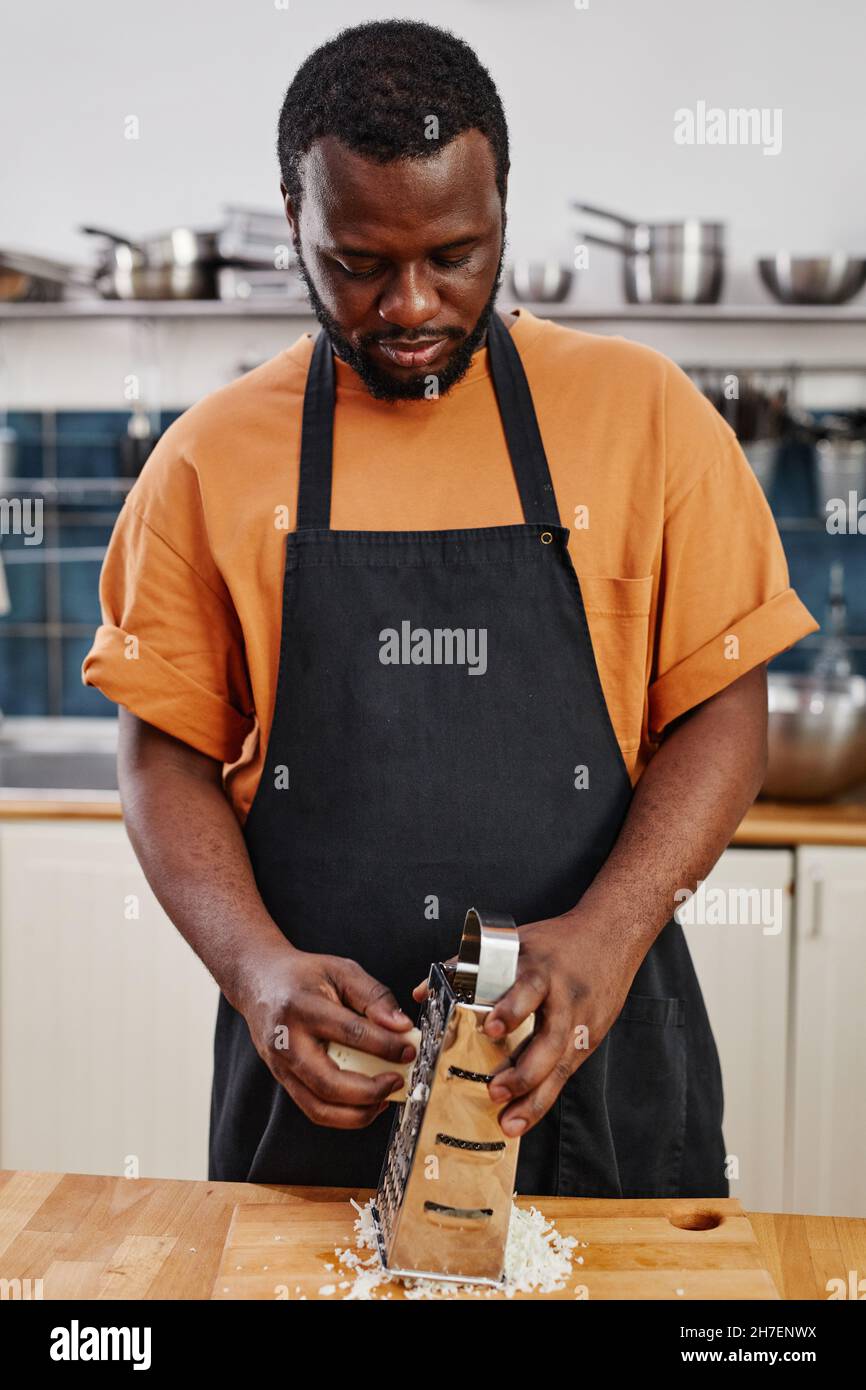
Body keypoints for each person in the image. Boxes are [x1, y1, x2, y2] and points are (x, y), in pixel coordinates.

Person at [83, 19, 818, 1197]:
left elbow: (723, 717)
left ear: (503, 212)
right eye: (360, 263)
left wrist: (606, 940)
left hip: (597, 1073)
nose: (411, 305)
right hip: (315, 1089)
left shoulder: (646, 417)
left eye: (456, 255)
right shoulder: (208, 461)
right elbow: (163, 755)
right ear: (295, 223)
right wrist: (256, 969)